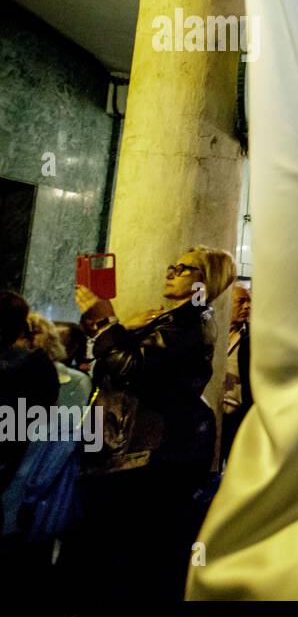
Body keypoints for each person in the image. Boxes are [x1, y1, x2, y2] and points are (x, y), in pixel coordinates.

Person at [69, 246, 235, 599]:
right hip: (124, 445)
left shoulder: (189, 324)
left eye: (185, 269)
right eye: (174, 265)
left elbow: (133, 370)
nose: (172, 271)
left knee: (121, 560)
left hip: (139, 454)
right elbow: (110, 369)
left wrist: (108, 326)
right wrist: (119, 329)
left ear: (205, 283)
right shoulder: (167, 320)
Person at [0, 311, 92, 573]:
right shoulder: (12, 375)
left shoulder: (74, 382)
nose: (24, 341)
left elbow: (76, 437)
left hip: (38, 484)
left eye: (31, 333)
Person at [219, 282, 252, 467]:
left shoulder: (252, 340)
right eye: (241, 301)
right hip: (212, 418)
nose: (247, 306)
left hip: (237, 417)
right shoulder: (211, 333)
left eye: (249, 302)